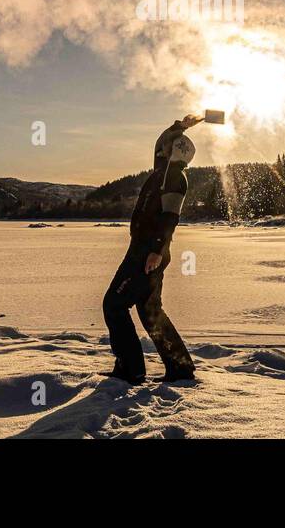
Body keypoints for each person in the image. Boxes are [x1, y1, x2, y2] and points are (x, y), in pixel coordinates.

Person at [102, 114, 201, 384]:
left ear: (176, 152)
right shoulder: (164, 171)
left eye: (169, 146)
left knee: (114, 305)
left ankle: (130, 369)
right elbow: (160, 142)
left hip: (147, 252)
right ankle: (180, 368)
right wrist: (180, 126)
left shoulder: (174, 177)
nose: (162, 149)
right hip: (147, 251)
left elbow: (170, 216)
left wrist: (157, 249)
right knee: (149, 310)